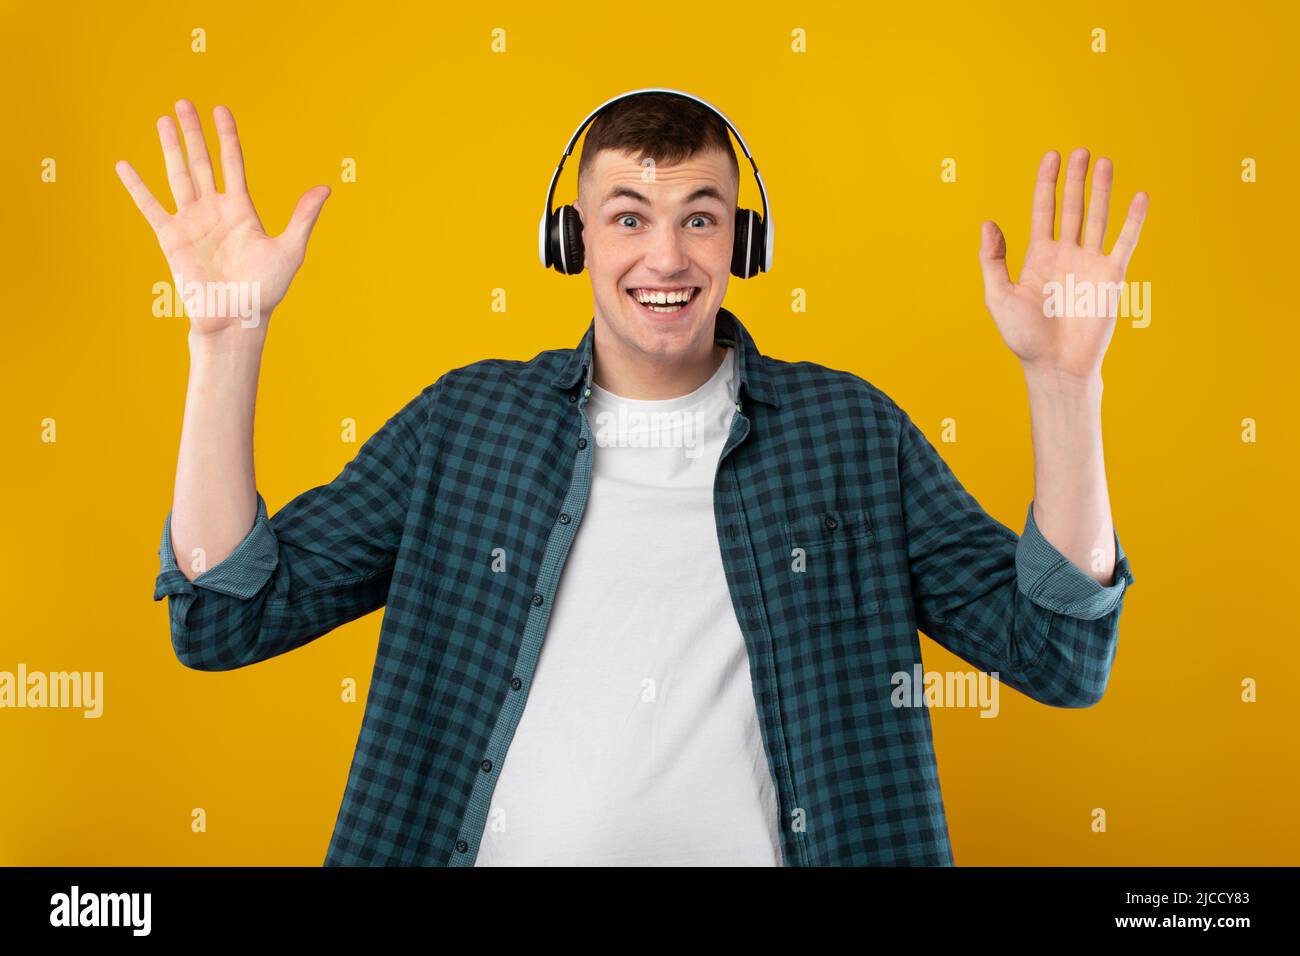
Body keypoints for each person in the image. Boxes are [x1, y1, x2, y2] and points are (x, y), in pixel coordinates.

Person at [117, 90, 1145, 866]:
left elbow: (1059, 654)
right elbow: (221, 617)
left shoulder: (849, 431)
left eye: (700, 216)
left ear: (745, 239)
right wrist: (225, 338)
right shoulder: (466, 422)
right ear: (570, 238)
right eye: (627, 216)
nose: (667, 253)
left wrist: (1065, 384)